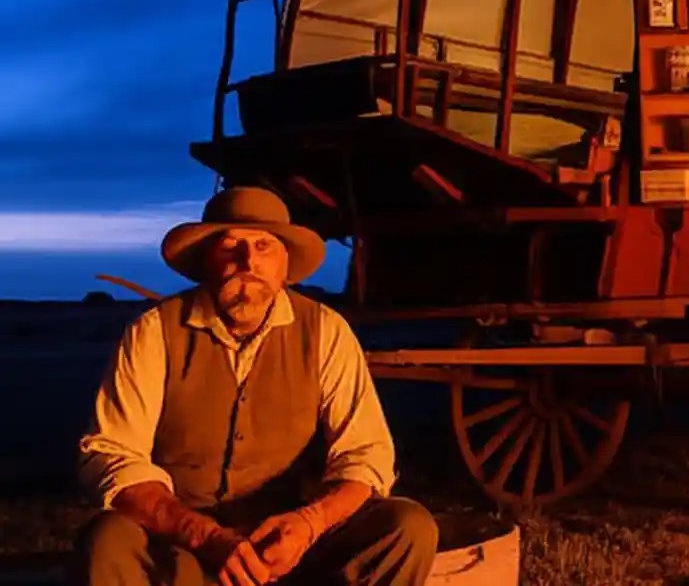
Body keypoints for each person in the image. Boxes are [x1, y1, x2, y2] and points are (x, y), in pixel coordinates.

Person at [72, 186, 437, 585]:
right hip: (184, 543)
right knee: (109, 538)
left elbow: (365, 452)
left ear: (284, 265)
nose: (248, 262)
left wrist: (309, 524)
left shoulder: (325, 331)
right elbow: (111, 453)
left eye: (264, 246)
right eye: (231, 246)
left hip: (291, 544)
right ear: (205, 260)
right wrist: (203, 535)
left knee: (407, 526)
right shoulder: (154, 332)